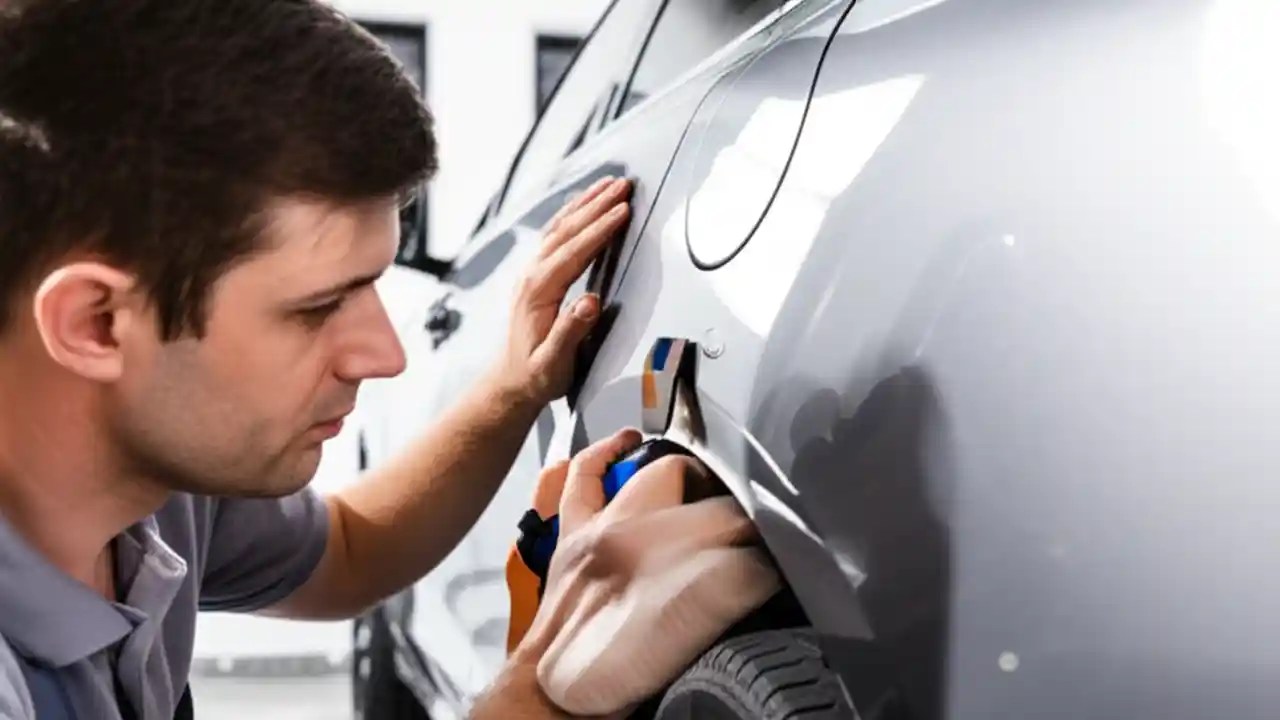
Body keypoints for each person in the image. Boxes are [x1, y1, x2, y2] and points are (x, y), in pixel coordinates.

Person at [0, 1, 775, 718]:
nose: (387, 356)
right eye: (315, 308)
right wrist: (552, 684)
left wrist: (513, 390)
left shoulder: (153, 493)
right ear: (96, 322)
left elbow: (349, 551)